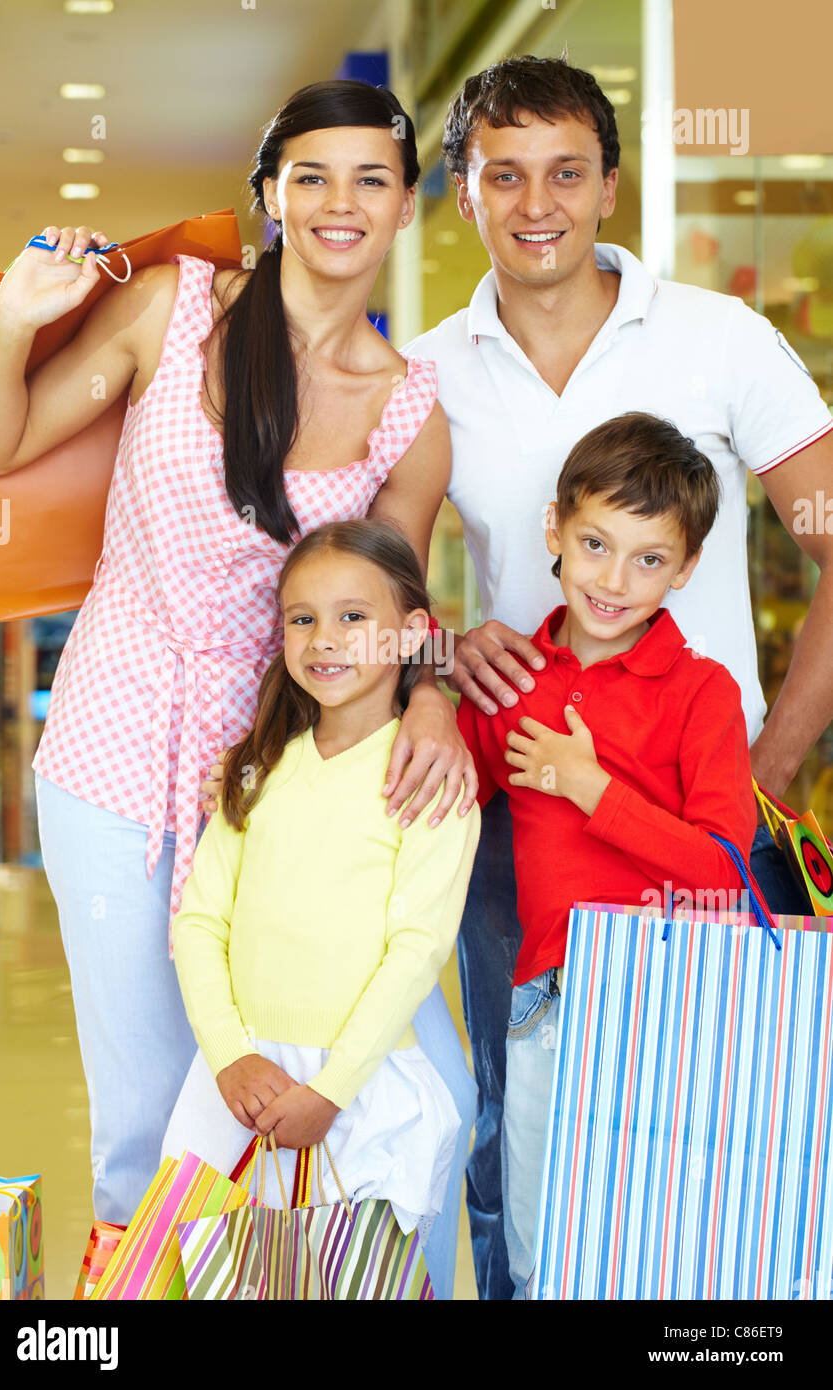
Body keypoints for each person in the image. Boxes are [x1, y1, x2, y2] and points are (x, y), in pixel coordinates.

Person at [0, 80, 478, 1273]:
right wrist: (14, 325)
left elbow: (399, 607)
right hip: (111, 755)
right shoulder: (173, 310)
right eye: (311, 176)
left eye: (370, 178)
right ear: (269, 197)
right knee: (149, 1113)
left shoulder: (408, 411)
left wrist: (438, 693)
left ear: (407, 204)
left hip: (285, 777)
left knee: (420, 1087)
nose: (340, 202)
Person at [403, 54, 833, 1299]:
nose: (535, 203)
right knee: (515, 1122)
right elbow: (381, 576)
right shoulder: (426, 371)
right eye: (503, 175)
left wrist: (769, 762)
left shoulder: (718, 337)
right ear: (465, 192)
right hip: (526, 807)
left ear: (608, 187)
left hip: (703, 804)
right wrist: (440, 648)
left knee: (714, 1130)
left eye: (565, 172)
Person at [457, 412, 758, 1296]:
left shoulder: (704, 692)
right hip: (546, 1006)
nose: (615, 581)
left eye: (649, 559)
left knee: (663, 1258)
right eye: (595, 544)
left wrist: (590, 787)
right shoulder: (510, 684)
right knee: (543, 1256)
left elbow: (726, 873)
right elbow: (433, 813)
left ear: (687, 567)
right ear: (554, 529)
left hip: (676, 1005)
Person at [162, 519, 480, 1297]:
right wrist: (229, 1056)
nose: (324, 639)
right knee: (223, 1280)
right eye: (302, 618)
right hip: (238, 1086)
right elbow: (199, 923)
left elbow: (416, 951)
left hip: (361, 1089)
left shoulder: (430, 782)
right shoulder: (253, 772)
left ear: (412, 632)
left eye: (352, 616)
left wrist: (331, 1093)